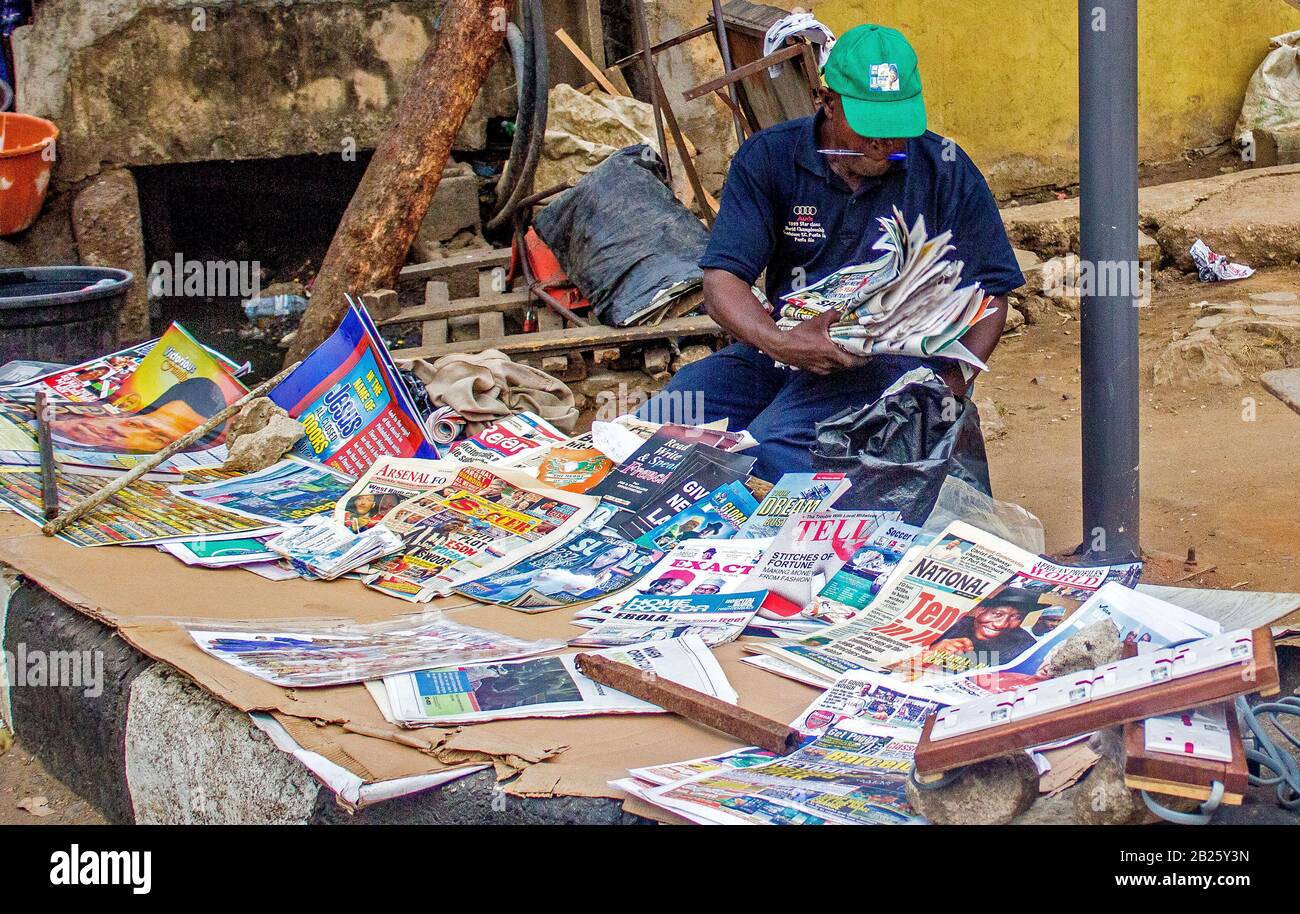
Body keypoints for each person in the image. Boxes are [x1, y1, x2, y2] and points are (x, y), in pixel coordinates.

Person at [639, 24, 1023, 481]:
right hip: (779, 348)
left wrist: (950, 386)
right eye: (870, 128)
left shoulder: (944, 168)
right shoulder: (768, 158)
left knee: (775, 445)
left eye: (897, 129)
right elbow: (722, 281)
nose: (886, 144)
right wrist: (780, 341)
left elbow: (991, 292)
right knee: (659, 425)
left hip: (886, 365)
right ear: (825, 99)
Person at [929, 590, 1039, 663]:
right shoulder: (952, 625)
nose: (1001, 625)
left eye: (1017, 617)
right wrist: (930, 651)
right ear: (980, 611)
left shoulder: (1025, 645)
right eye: (997, 614)